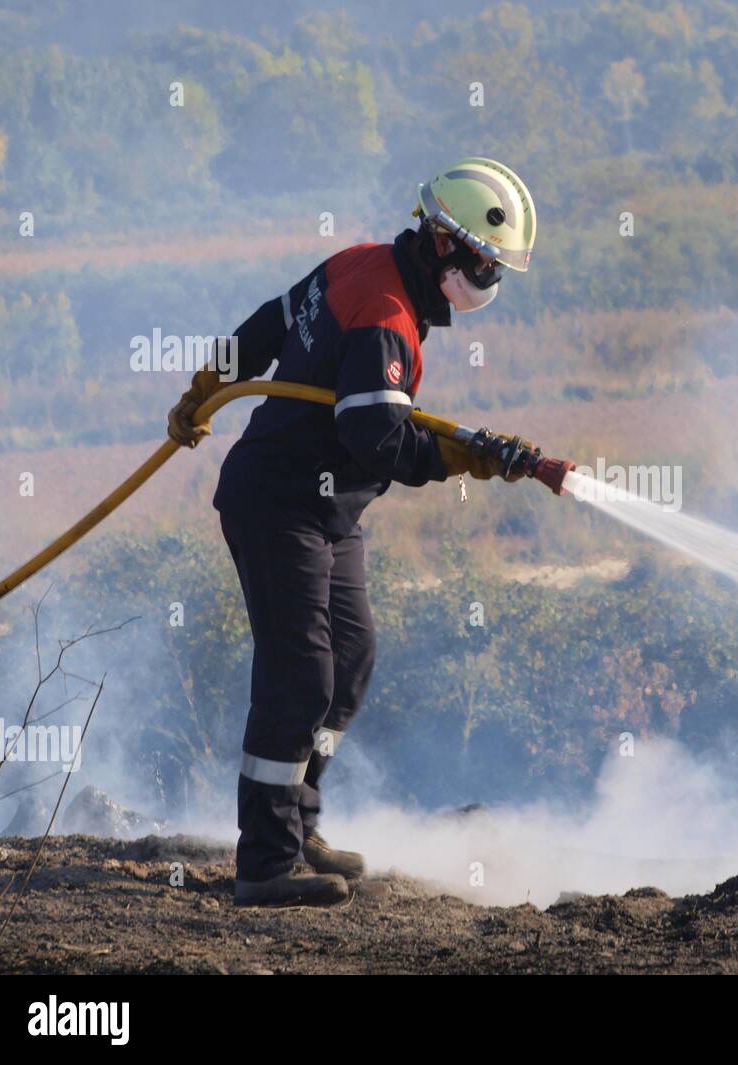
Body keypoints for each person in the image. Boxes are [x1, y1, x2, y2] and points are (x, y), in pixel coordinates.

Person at [166, 159, 537, 907]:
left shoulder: (361, 262)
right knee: (300, 674)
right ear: (441, 242)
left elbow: (269, 324)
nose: (487, 278)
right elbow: (380, 439)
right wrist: (471, 457)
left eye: (497, 266)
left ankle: (298, 821)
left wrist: (208, 385)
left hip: (328, 510)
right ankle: (265, 864)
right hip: (279, 504)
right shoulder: (386, 316)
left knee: (352, 659)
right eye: (482, 260)